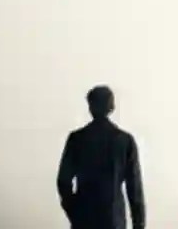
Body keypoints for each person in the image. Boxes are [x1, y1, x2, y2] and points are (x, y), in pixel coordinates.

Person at [56, 85, 146, 229]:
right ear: (112, 106)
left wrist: (74, 211)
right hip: (113, 220)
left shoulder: (76, 139)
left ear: (90, 107)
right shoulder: (125, 141)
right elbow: (134, 188)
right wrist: (139, 224)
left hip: (83, 220)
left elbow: (63, 181)